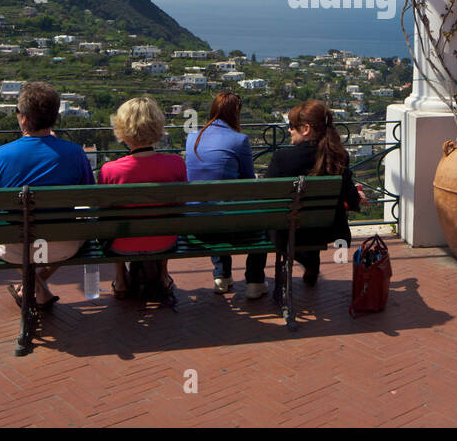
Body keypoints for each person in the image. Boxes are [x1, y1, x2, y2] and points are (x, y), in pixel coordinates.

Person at [0, 81, 94, 308]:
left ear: (24, 119)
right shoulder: (75, 153)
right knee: (78, 229)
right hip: (62, 246)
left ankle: (32, 287)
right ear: (54, 117)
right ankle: (39, 287)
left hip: (14, 247)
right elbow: (89, 198)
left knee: (12, 236)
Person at [246, 99, 361, 297]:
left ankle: (254, 280)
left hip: (287, 235)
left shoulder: (282, 158)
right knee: (308, 214)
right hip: (325, 232)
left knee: (276, 219)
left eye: (292, 126)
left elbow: (265, 199)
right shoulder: (339, 157)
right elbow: (351, 200)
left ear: (306, 129)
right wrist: (357, 196)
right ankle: (311, 265)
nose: (289, 130)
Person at [98, 96, 186, 300]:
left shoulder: (109, 170)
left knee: (112, 221)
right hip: (165, 241)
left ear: (121, 128)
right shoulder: (176, 163)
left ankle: (120, 279)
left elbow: (104, 214)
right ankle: (163, 275)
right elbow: (180, 207)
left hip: (121, 245)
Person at [185, 92, 257, 296]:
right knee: (248, 211)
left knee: (214, 205)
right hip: (228, 224)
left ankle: (222, 275)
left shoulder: (192, 138)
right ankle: (255, 280)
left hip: (195, 224)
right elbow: (248, 181)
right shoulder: (240, 140)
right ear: (236, 114)